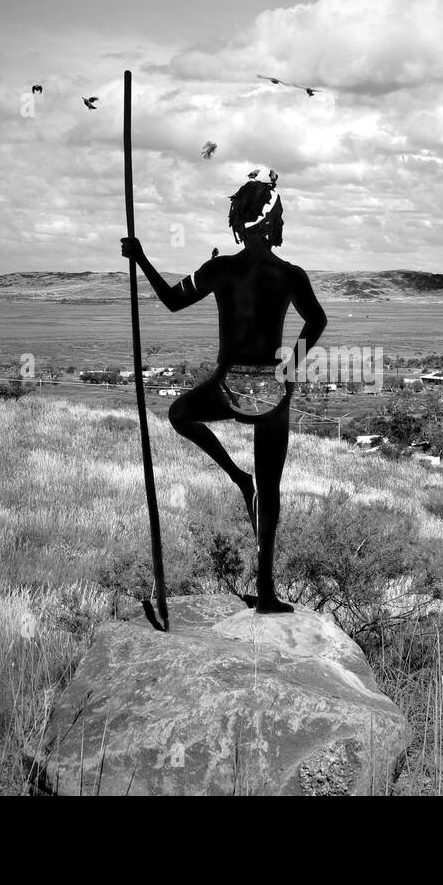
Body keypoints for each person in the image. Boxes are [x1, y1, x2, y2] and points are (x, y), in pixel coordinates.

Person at [121, 167, 327, 613]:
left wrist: (141, 259)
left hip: (229, 386)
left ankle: (237, 476)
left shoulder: (220, 269)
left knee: (180, 414)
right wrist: (290, 368)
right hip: (272, 390)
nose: (285, 225)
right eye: (282, 217)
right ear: (269, 223)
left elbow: (173, 300)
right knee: (270, 491)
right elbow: (318, 320)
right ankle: (267, 592)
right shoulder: (290, 274)